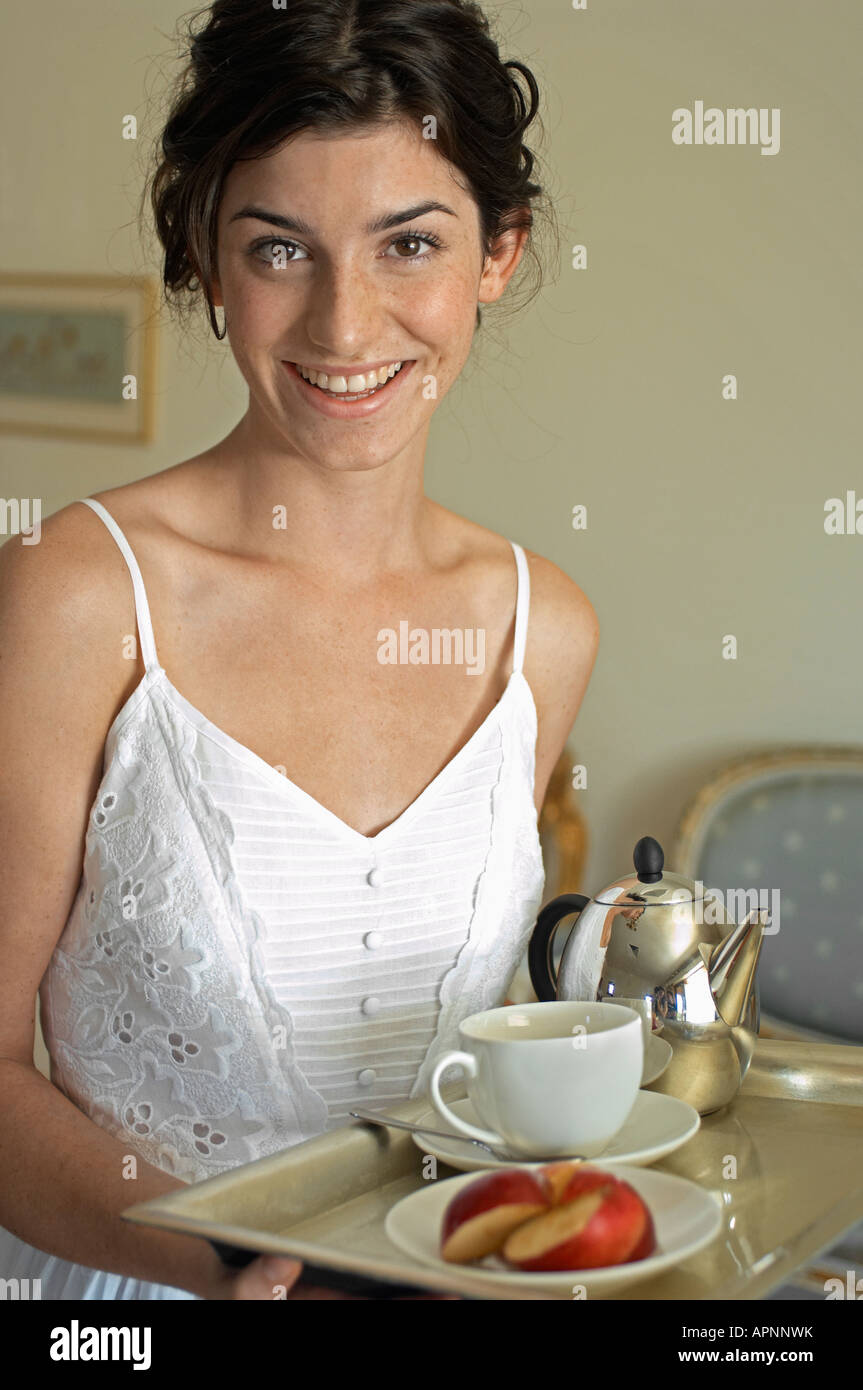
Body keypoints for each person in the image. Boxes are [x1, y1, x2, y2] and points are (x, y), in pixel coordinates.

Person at [0, 0, 599, 1300]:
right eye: (281, 248)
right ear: (206, 260)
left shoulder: (541, 625)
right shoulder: (74, 594)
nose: (343, 325)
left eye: (409, 245)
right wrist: (232, 1264)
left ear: (498, 253)